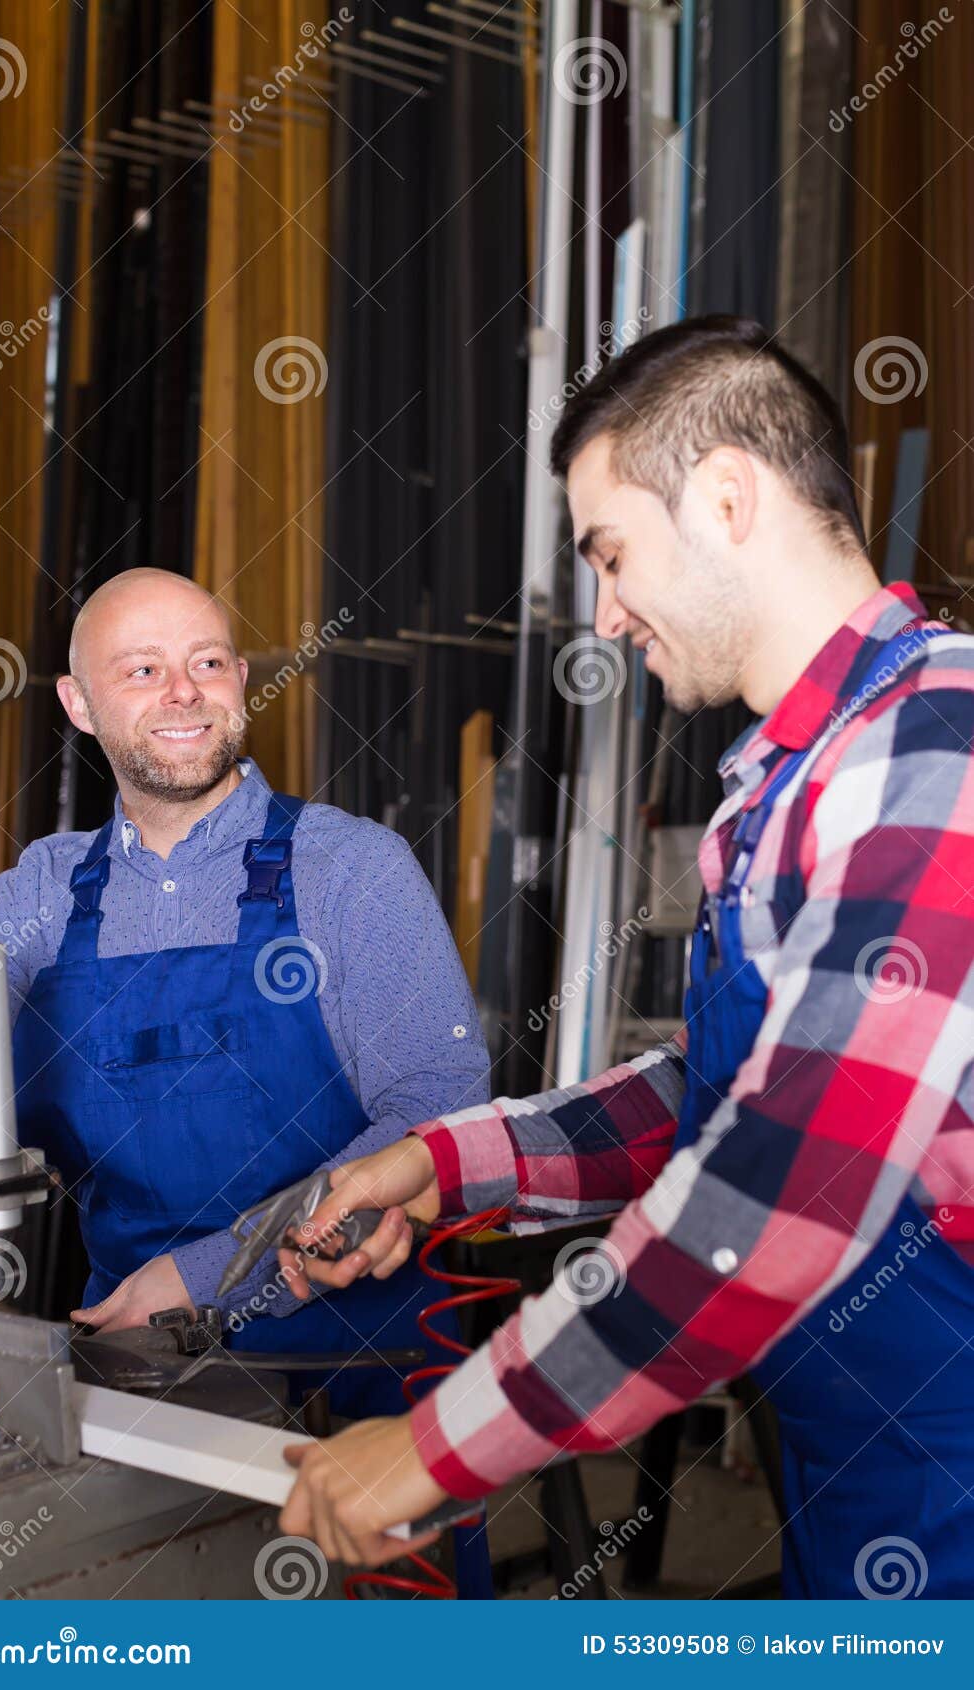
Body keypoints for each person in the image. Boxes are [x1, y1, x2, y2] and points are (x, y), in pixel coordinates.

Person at [276, 316, 974, 1597]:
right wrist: (444, 1165)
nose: (603, 612)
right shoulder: (782, 781)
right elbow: (715, 1094)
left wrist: (440, 1448)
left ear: (722, 496)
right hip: (865, 1478)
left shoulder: (932, 747)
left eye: (609, 553)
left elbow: (786, 1181)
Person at [0, 568, 489, 1418]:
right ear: (77, 704)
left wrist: (208, 1274)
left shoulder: (351, 868)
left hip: (363, 1361)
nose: (183, 692)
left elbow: (440, 1107)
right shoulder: (43, 894)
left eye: (208, 662)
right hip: (139, 1364)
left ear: (242, 684)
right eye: (141, 670)